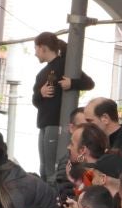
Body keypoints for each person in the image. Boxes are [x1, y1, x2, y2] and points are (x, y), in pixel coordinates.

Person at [32, 32, 94, 181]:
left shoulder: (64, 65)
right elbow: (35, 100)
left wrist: (72, 83)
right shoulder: (42, 74)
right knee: (44, 166)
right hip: (44, 124)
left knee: (51, 167)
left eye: (36, 48)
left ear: (43, 48)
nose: (35, 53)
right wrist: (41, 93)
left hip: (55, 123)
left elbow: (89, 83)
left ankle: (52, 190)